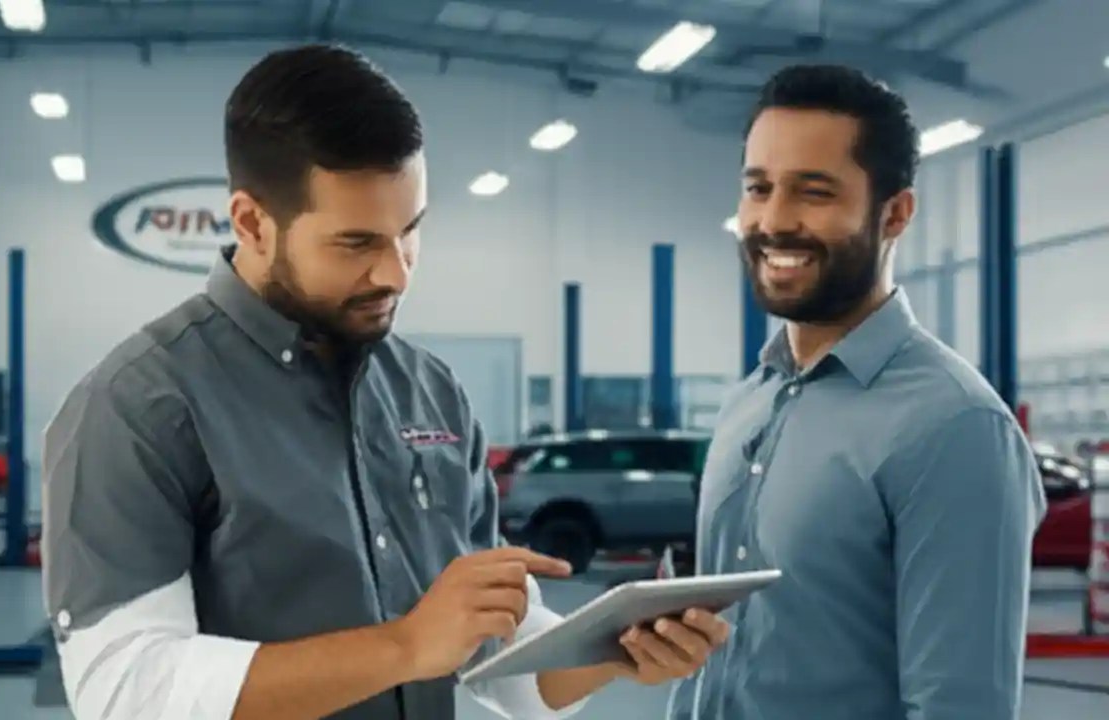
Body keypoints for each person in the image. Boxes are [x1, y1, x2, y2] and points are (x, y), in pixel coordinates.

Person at [42, 44, 729, 720]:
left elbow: (497, 656)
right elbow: (127, 691)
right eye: (357, 243)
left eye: (411, 231)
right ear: (252, 223)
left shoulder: (429, 392)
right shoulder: (138, 407)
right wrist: (403, 646)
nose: (397, 273)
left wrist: (613, 650)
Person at [667, 64, 1047, 720]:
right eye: (757, 189)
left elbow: (962, 707)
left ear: (895, 213)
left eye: (813, 193)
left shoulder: (954, 427)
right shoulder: (750, 400)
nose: (773, 221)